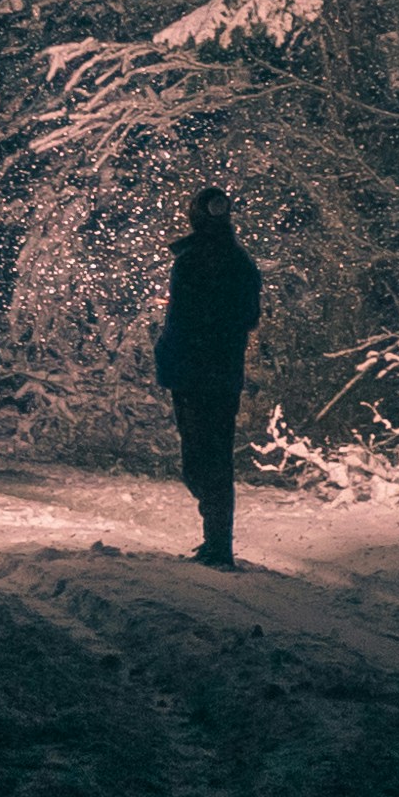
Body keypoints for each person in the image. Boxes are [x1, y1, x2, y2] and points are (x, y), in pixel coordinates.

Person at [154, 184, 261, 569]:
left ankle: (217, 543)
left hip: (192, 373)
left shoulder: (190, 263)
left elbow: (180, 321)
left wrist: (170, 353)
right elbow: (249, 317)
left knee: (199, 458)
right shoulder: (241, 263)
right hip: (223, 373)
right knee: (216, 456)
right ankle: (218, 541)